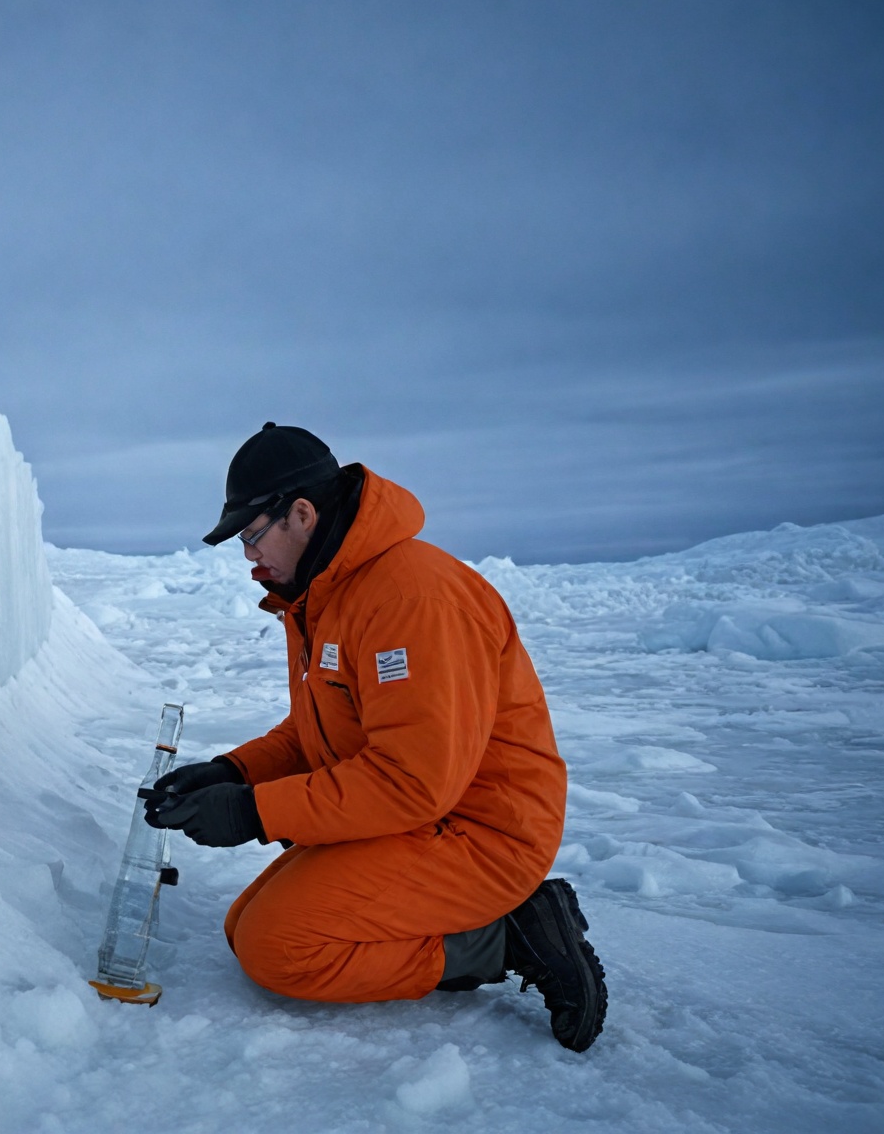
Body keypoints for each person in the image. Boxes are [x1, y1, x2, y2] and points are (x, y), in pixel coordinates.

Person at [143, 423, 608, 1051]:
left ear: (301, 513)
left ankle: (508, 936)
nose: (248, 555)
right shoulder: (323, 594)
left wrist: (254, 813)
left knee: (280, 946)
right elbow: (317, 734)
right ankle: (482, 926)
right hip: (414, 819)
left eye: (251, 534)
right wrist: (233, 773)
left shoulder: (412, 599)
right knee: (243, 924)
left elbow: (415, 779)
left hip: (481, 833)